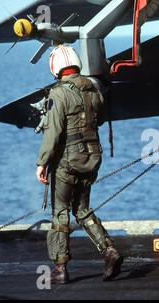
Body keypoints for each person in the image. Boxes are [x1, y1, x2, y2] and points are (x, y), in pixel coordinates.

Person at [35, 45, 123, 284]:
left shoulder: (58, 94)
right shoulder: (93, 89)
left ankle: (60, 269)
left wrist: (42, 162)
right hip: (92, 157)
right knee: (82, 209)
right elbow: (100, 119)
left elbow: (53, 132)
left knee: (61, 211)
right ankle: (109, 251)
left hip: (68, 161)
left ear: (55, 68)